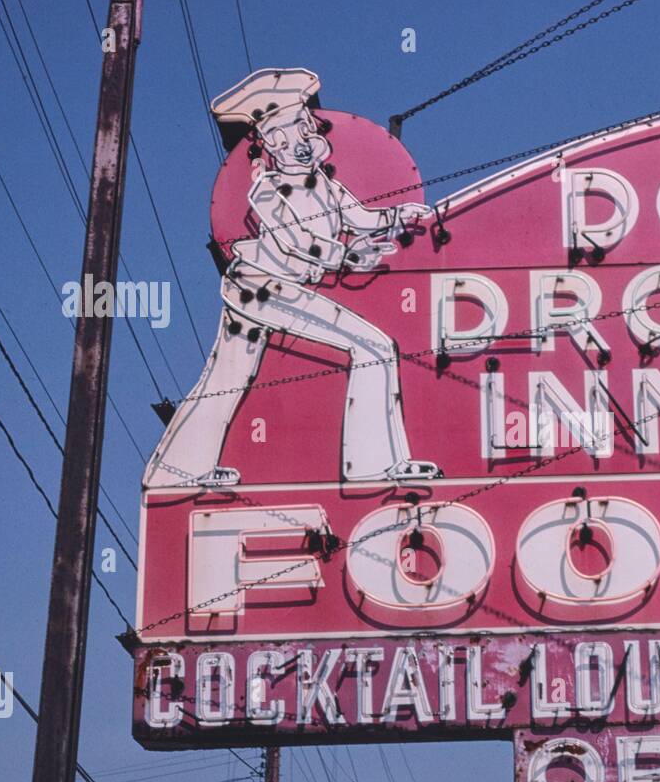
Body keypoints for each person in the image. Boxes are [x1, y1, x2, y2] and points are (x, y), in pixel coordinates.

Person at [144, 68, 439, 488]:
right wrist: (348, 255)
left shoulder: (324, 182)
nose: (298, 141)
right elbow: (303, 244)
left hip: (269, 290)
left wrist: (396, 217)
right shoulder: (265, 194)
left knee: (227, 377)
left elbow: (360, 218)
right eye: (285, 135)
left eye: (302, 129)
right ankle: (372, 468)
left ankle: (175, 471)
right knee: (372, 346)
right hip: (263, 289)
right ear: (267, 143)